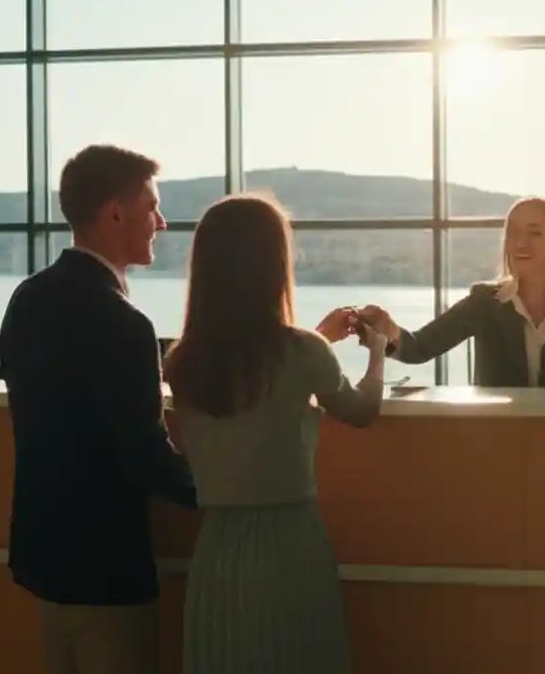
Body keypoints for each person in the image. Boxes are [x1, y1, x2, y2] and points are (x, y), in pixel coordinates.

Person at [164, 192, 388, 673]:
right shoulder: (302, 352)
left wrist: (319, 339)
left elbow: (254, 374)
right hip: (289, 544)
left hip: (218, 550)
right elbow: (361, 409)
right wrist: (378, 353)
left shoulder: (184, 360)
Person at [0, 144, 197, 674]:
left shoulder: (26, 299)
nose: (161, 221)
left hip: (43, 553)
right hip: (105, 564)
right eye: (151, 206)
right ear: (115, 212)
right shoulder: (124, 324)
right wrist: (222, 493)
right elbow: (144, 454)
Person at [358, 196, 545, 386]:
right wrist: (387, 330)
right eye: (514, 233)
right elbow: (419, 347)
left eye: (535, 233)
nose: (521, 243)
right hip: (495, 439)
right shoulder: (484, 303)